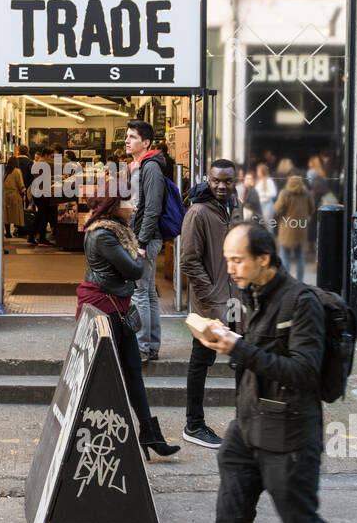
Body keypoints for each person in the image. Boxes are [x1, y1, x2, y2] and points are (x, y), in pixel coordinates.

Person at [195, 223, 357, 523]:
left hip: (289, 435)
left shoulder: (300, 302)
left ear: (263, 259)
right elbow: (260, 358)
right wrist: (227, 342)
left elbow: (304, 373)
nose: (230, 268)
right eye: (228, 260)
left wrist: (239, 347)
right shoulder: (255, 294)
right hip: (246, 430)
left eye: (237, 260)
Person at [76, 186, 180, 460]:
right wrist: (140, 254)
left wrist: (136, 254)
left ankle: (149, 432)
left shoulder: (113, 232)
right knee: (103, 376)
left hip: (118, 307)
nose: (134, 207)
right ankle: (90, 437)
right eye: (129, 202)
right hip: (105, 311)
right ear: (113, 204)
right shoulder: (103, 235)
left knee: (133, 370)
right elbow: (135, 269)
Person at [178, 159, 240, 450]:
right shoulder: (198, 212)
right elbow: (189, 261)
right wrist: (211, 297)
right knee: (201, 363)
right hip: (210, 304)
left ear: (235, 180)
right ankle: (194, 424)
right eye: (216, 181)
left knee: (245, 361)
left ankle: (246, 423)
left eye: (227, 181)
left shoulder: (236, 208)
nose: (221, 186)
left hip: (237, 301)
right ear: (208, 179)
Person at [124, 119, 167, 362]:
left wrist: (140, 243)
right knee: (147, 292)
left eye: (132, 137)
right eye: (127, 136)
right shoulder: (140, 165)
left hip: (145, 239)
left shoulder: (150, 168)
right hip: (144, 237)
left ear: (146, 142)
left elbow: (151, 209)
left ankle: (142, 347)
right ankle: (151, 345)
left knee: (140, 293)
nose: (127, 141)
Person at [273, 172, 315, 281]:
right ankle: (300, 280)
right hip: (301, 228)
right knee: (299, 255)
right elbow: (312, 208)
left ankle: (286, 281)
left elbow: (277, 209)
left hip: (286, 227)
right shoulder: (306, 194)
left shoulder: (284, 193)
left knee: (284, 255)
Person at [25, 148, 57, 247]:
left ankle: (32, 237)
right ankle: (41, 239)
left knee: (40, 215)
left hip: (37, 192)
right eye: (51, 157)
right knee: (43, 215)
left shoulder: (39, 163)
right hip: (41, 193)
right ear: (46, 155)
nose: (52, 159)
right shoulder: (43, 163)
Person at [2, 154, 26, 240]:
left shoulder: (4, 171)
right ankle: (19, 231)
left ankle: (8, 233)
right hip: (15, 195)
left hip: (5, 195)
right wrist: (23, 194)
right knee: (17, 214)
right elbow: (20, 184)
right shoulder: (17, 171)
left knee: (7, 215)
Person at [254, 161, 278, 231]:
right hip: (258, 205)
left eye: (258, 170)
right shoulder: (258, 180)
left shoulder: (268, 180)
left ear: (262, 171)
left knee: (268, 226)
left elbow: (274, 193)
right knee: (259, 225)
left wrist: (262, 194)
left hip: (266, 205)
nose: (257, 172)